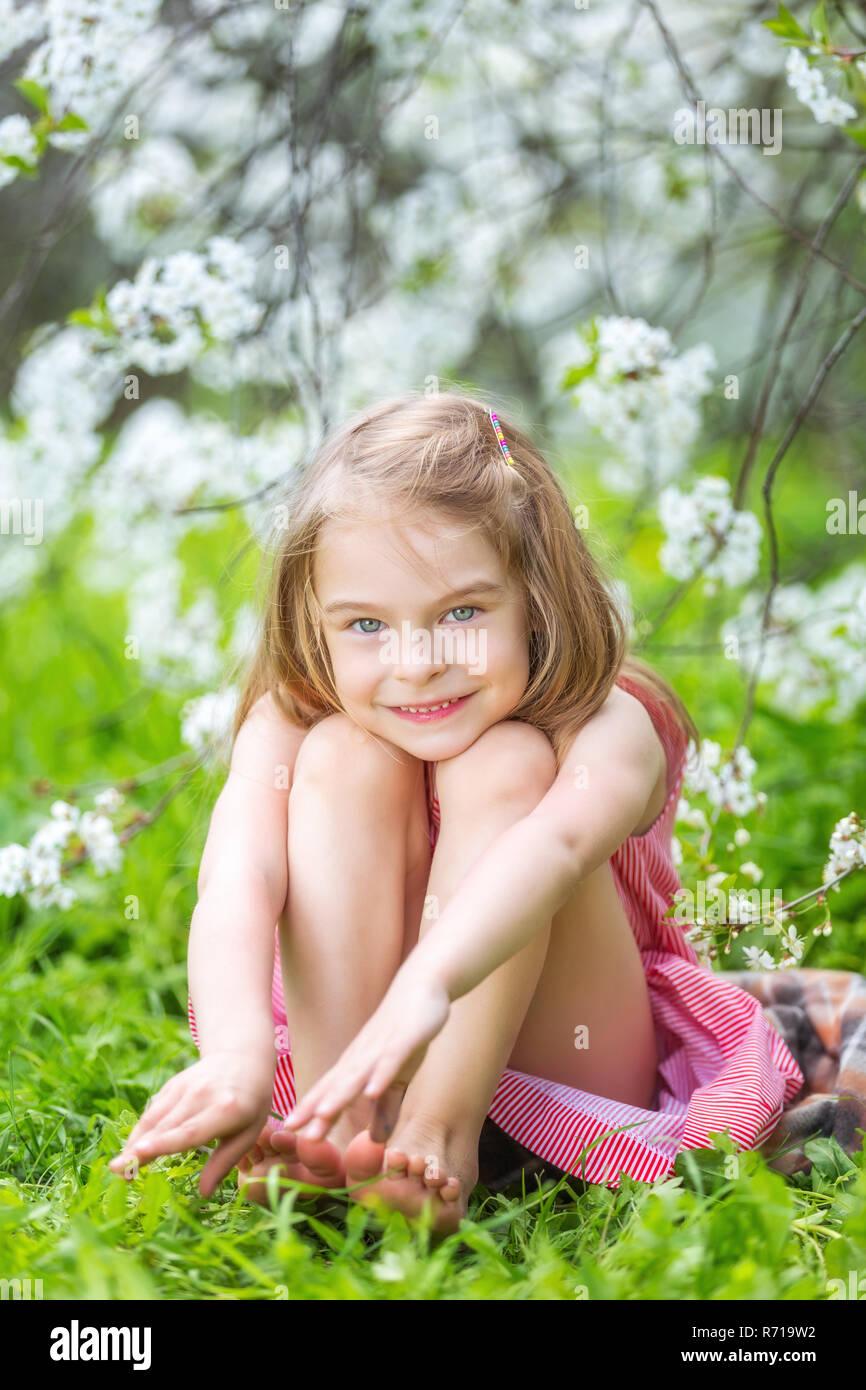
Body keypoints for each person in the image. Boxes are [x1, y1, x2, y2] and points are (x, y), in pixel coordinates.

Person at [109, 388, 804, 1234]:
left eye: (463, 613)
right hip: (368, 1050)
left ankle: (440, 1136)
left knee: (507, 763)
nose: (417, 665)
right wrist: (236, 1052)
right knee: (341, 756)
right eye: (366, 624)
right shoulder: (294, 718)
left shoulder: (606, 721)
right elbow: (237, 880)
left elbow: (552, 847)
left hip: (571, 1069)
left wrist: (431, 983)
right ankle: (344, 1127)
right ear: (315, 621)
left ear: (537, 599)